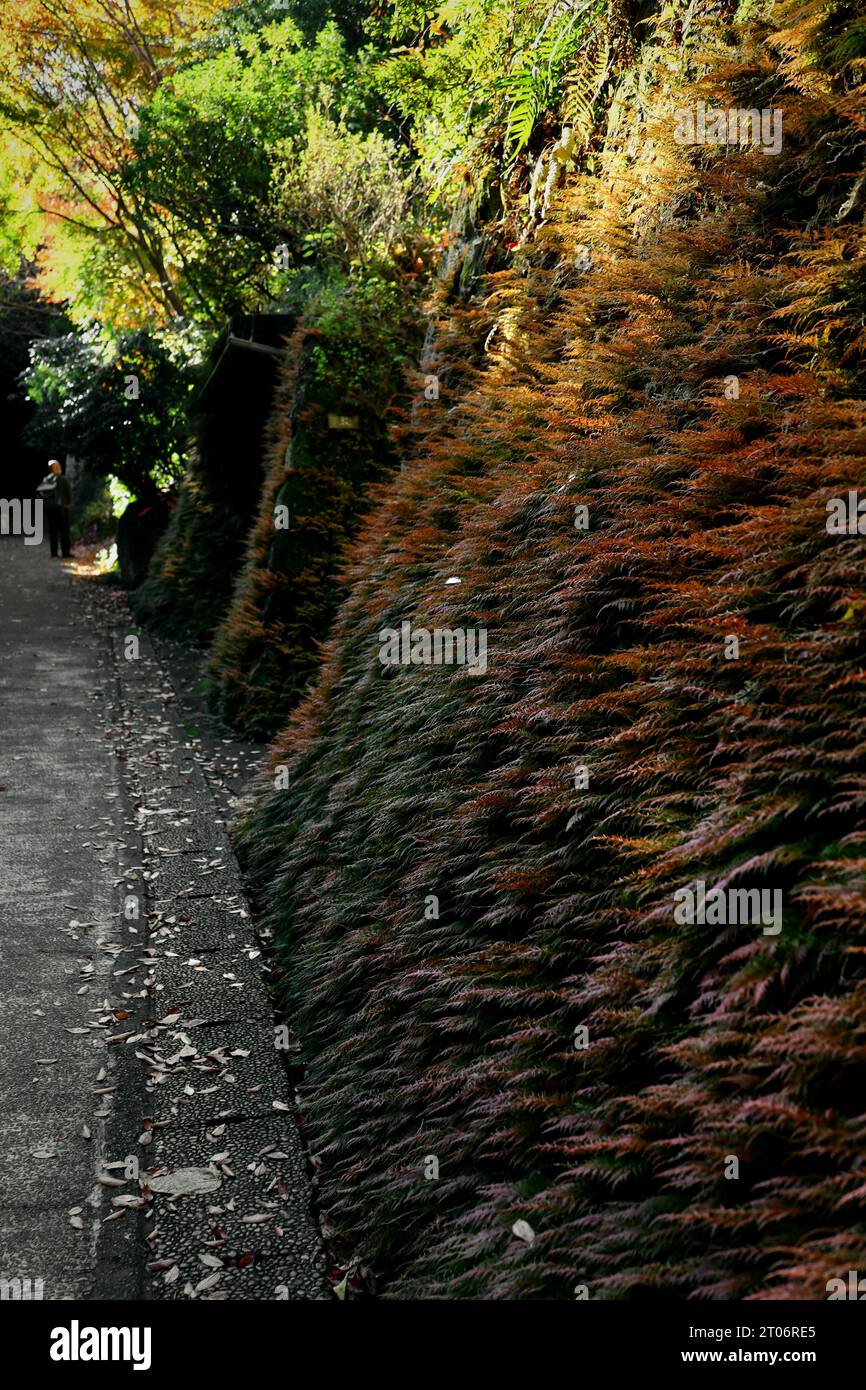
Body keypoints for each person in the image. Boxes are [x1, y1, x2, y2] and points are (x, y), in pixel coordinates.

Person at [37, 459, 72, 558]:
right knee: (63, 531)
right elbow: (69, 493)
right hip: (61, 508)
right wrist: (68, 503)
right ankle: (65, 553)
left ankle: (54, 553)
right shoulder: (63, 479)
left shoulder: (46, 480)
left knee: (53, 531)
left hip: (51, 509)